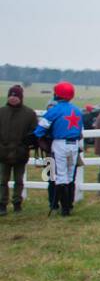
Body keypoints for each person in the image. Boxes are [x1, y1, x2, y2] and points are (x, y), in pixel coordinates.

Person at [33, 81, 84, 216]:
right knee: (69, 175)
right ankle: (68, 207)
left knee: (60, 176)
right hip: (74, 145)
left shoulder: (54, 110)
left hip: (59, 144)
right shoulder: (77, 110)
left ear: (58, 94)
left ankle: (64, 209)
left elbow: (39, 130)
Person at [0, 84, 38, 215]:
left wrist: (26, 144)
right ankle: (2, 204)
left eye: (15, 96)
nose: (13, 98)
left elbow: (34, 132)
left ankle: (17, 204)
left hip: (20, 153)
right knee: (2, 181)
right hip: (2, 153)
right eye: (11, 95)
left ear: (20, 97)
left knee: (19, 180)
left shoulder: (29, 114)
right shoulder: (1, 112)